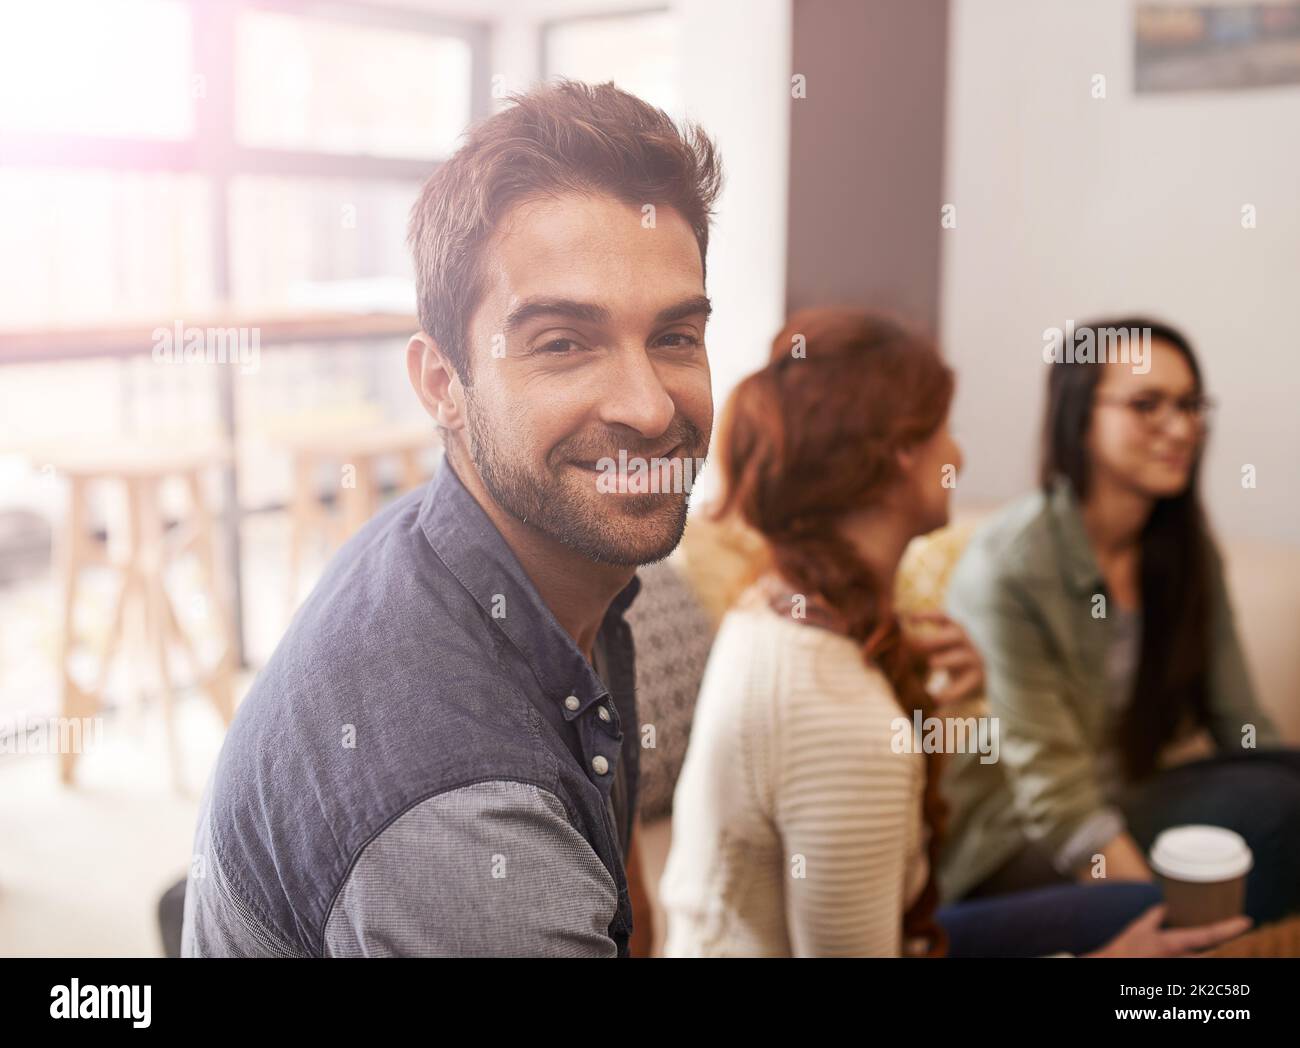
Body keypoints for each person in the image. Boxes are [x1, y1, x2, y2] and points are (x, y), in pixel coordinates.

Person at [181, 80, 720, 957]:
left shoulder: (512, 564)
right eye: (563, 343)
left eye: (674, 336)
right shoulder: (467, 828)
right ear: (441, 384)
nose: (650, 408)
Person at [658, 309, 1250, 957]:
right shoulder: (840, 720)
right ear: (901, 454)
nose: (958, 457)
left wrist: (935, 701)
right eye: (946, 430)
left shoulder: (774, 612)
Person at [940, 318, 1300, 924]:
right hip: (1018, 843)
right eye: (1147, 405)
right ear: (1080, 417)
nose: (1181, 427)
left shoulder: (1185, 550)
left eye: (1189, 405)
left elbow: (1244, 728)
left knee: (1284, 793)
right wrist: (1151, 922)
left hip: (1130, 802)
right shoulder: (1010, 565)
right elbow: (1055, 794)